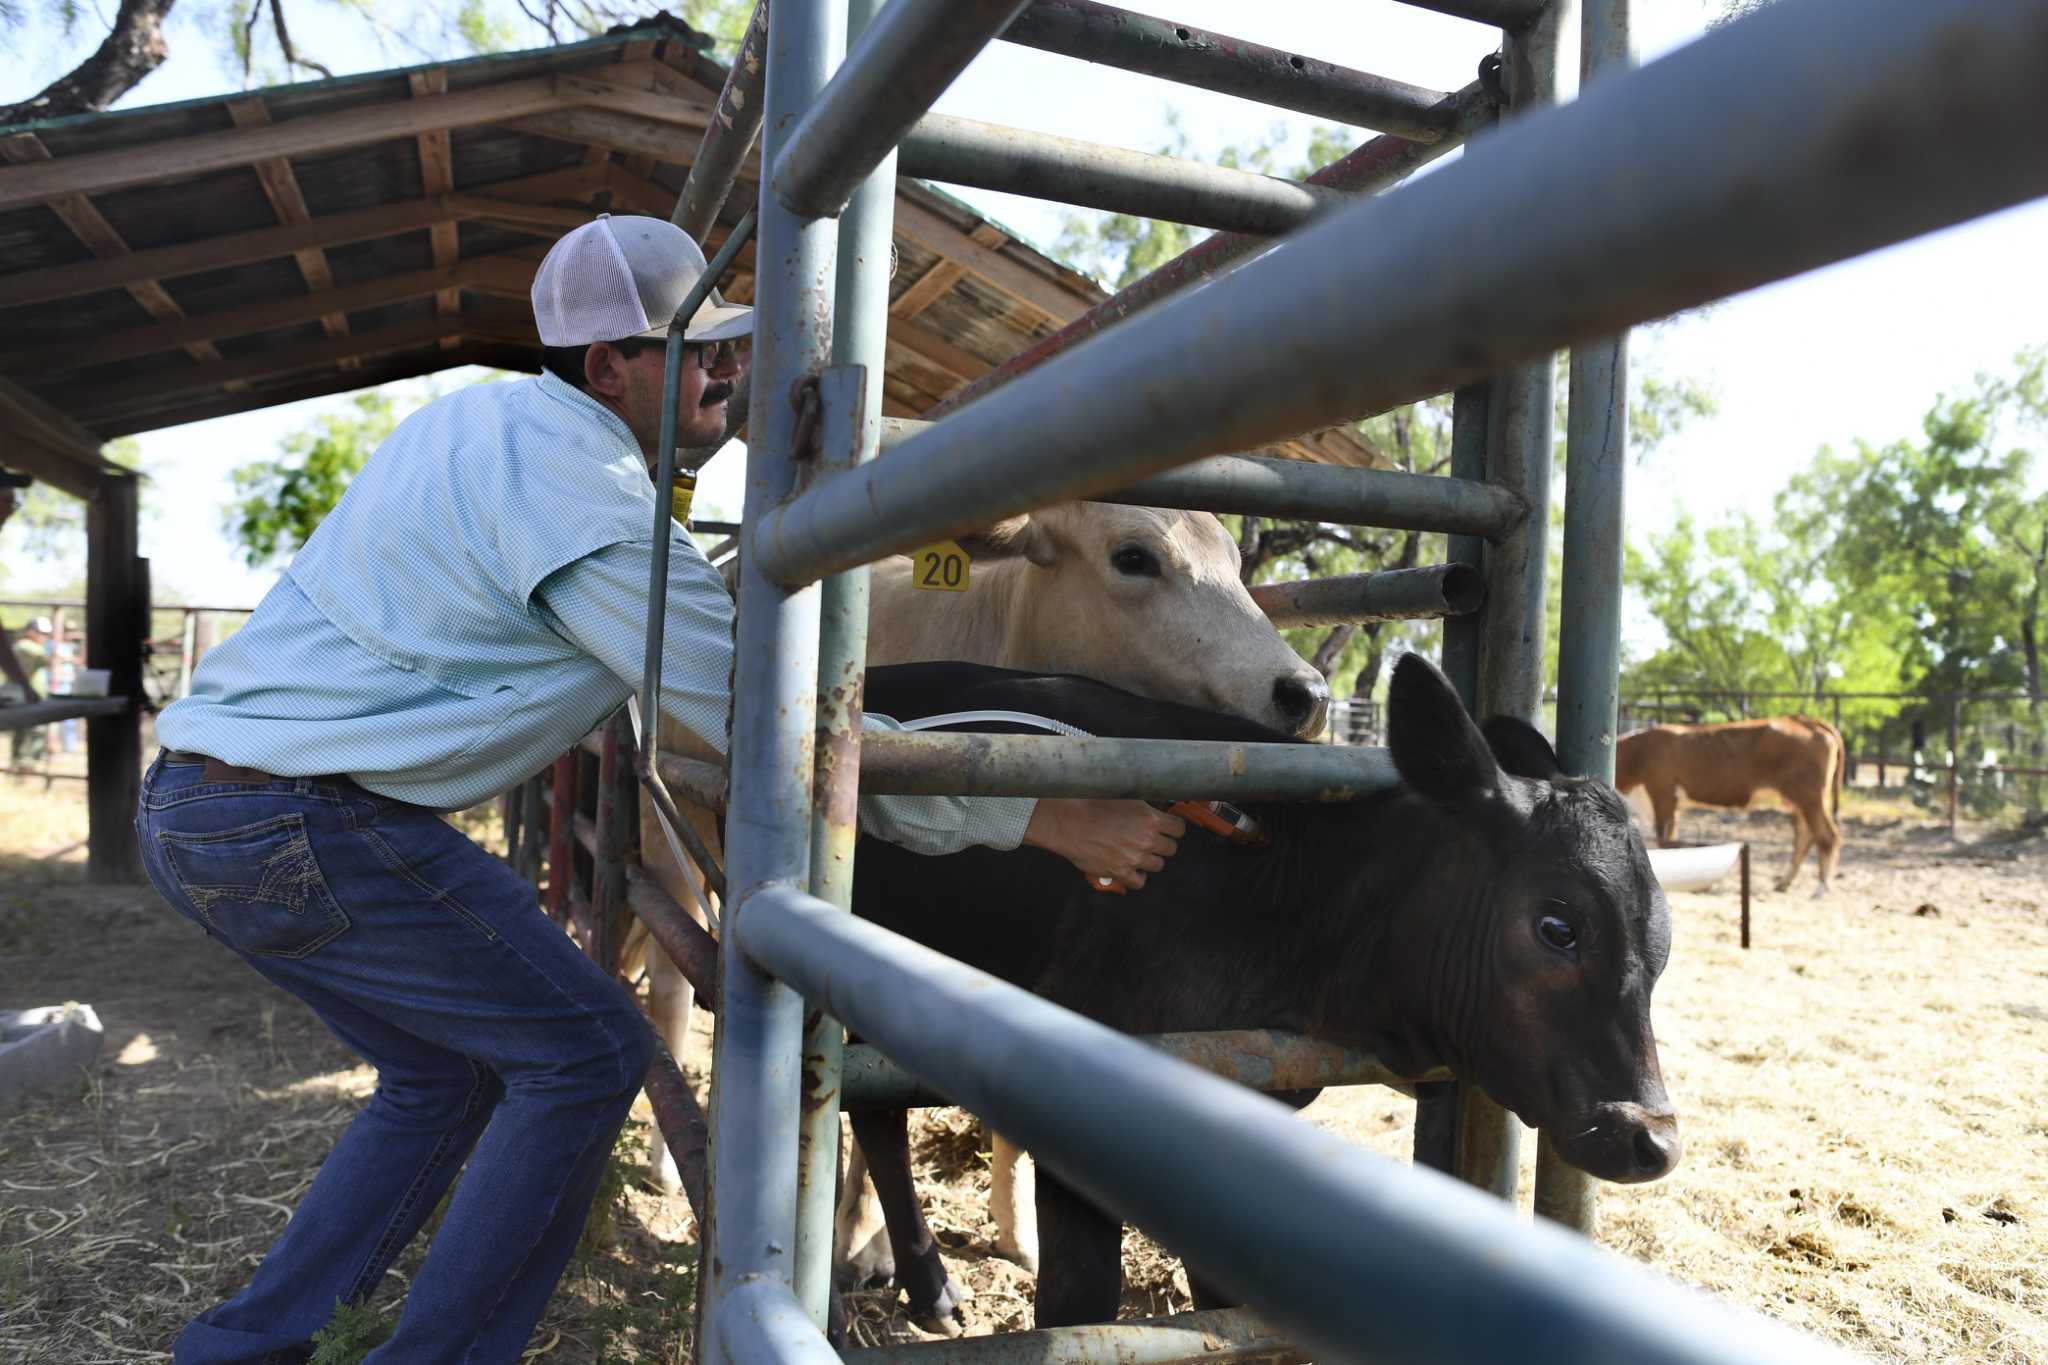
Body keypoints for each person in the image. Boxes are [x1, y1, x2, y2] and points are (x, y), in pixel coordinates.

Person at [138, 214, 1183, 1364]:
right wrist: (1036, 810)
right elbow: (773, 731)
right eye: (701, 350)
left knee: (440, 1077)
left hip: (204, 807)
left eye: (735, 343)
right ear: (608, 367)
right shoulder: (593, 505)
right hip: (302, 819)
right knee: (587, 1050)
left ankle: (245, 1346)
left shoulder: (477, 420)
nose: (733, 368)